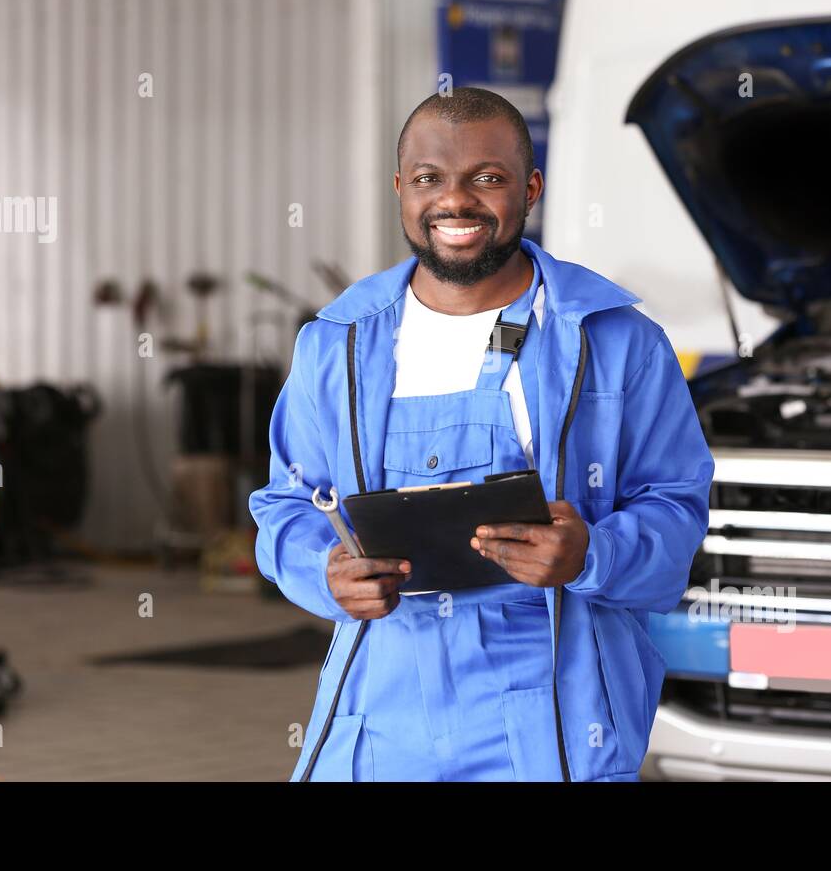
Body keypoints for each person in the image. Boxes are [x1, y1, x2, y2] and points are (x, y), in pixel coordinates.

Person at [249, 87, 713, 781]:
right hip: (380, 714)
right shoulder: (338, 344)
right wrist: (326, 572)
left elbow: (677, 509)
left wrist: (592, 552)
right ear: (401, 188)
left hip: (555, 712)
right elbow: (287, 505)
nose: (455, 202)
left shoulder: (617, 342)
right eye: (431, 179)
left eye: (487, 179)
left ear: (530, 189)